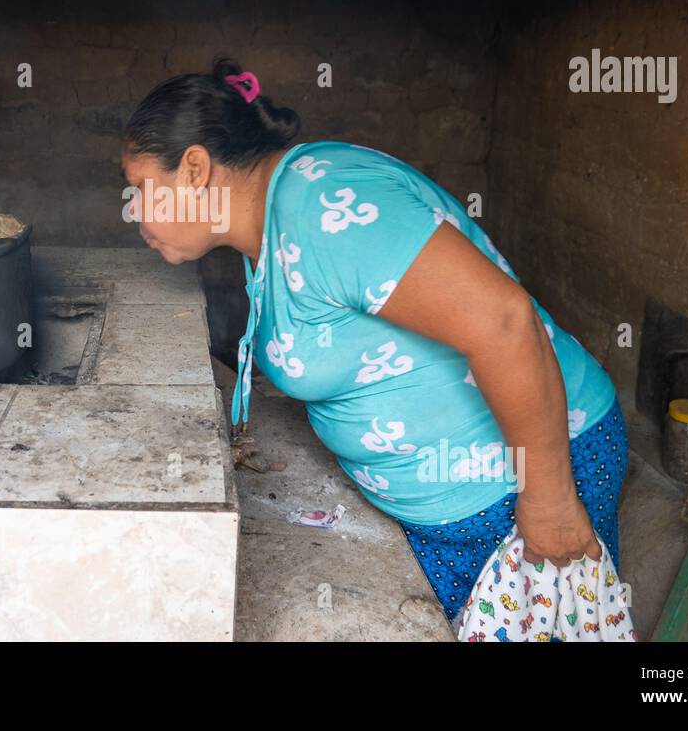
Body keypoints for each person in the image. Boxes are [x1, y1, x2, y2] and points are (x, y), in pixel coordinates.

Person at [121, 56, 629, 628]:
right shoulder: (266, 229)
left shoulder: (321, 203)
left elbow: (505, 323)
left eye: (141, 189)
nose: (134, 212)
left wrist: (551, 500)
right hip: (452, 506)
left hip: (519, 489)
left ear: (194, 169)